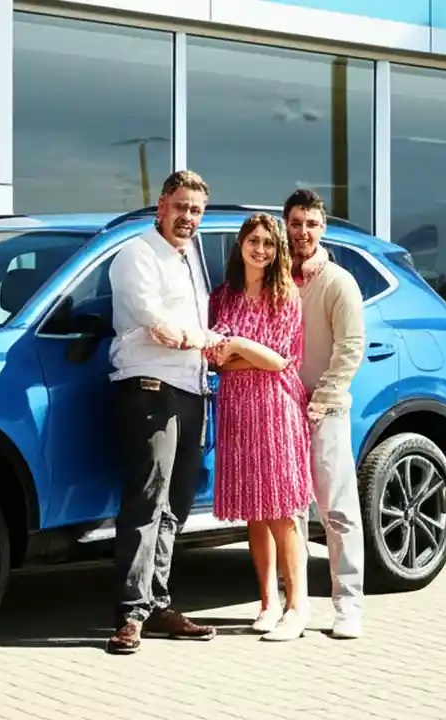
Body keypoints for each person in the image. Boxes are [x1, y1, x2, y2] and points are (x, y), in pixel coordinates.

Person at [104, 169, 221, 655]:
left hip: (192, 390)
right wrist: (212, 341)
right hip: (151, 388)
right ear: (161, 206)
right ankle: (130, 613)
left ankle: (159, 604)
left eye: (195, 211)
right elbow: (160, 326)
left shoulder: (190, 258)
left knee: (175, 506)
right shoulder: (137, 254)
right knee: (146, 501)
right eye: (180, 208)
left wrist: (208, 347)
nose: (188, 218)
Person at [205, 212, 315, 641]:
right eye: (254, 241)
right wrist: (241, 352)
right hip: (236, 408)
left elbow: (279, 359)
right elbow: (213, 357)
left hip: (276, 407)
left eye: (269, 244)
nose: (261, 250)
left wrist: (236, 346)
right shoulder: (223, 297)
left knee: (282, 511)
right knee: (254, 510)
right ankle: (268, 601)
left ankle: (297, 606)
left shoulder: (285, 296)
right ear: (241, 245)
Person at [283, 188, 367, 640]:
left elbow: (350, 347)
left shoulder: (337, 282)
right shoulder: (278, 279)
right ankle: (295, 605)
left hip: (325, 410)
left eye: (311, 224)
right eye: (295, 223)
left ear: (323, 228)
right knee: (290, 509)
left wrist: (324, 398)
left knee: (336, 509)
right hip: (281, 409)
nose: (302, 232)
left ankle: (348, 605)